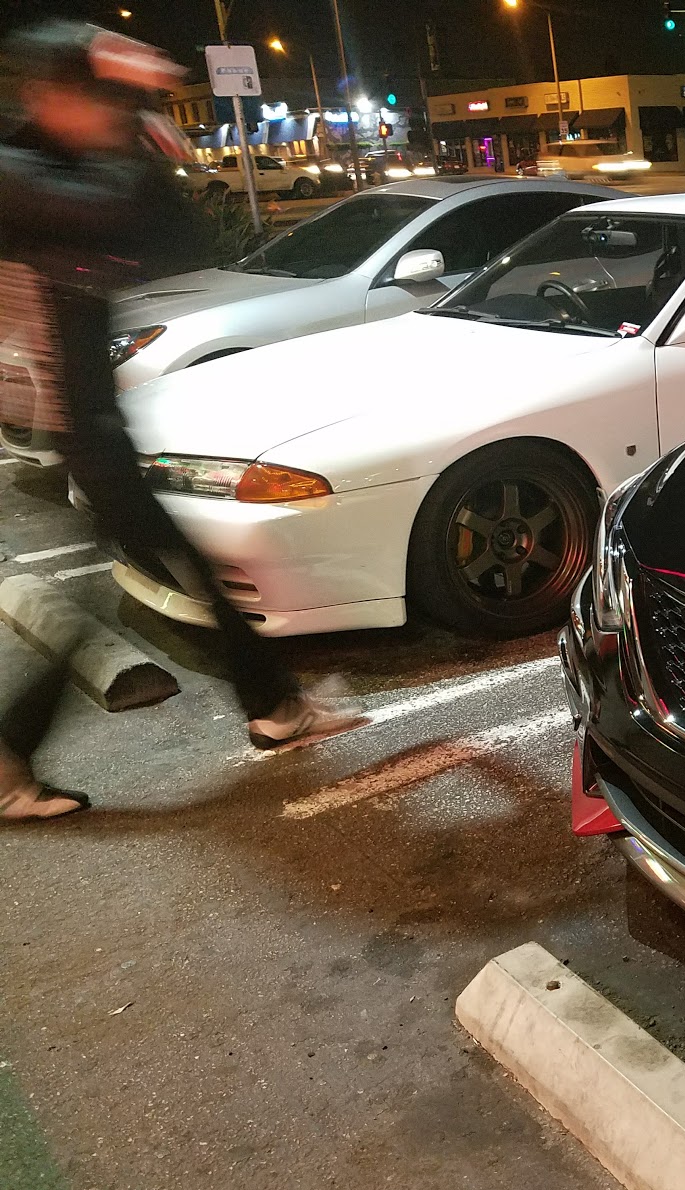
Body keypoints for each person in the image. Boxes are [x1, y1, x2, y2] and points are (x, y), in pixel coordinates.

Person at [0, 21, 361, 822]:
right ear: (50, 96)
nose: (103, 114)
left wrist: (131, 124)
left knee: (128, 581)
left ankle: (271, 706)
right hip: (76, 423)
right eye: (92, 98)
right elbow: (104, 217)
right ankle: (272, 707)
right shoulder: (20, 172)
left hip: (94, 419)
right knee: (177, 562)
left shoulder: (57, 165)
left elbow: (170, 240)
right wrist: (133, 123)